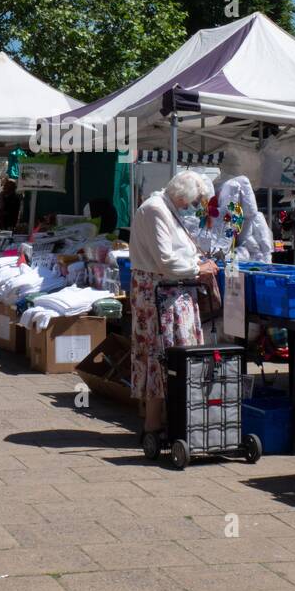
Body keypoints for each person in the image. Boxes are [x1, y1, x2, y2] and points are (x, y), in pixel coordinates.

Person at [127, 170, 217, 436]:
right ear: (181, 195)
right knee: (160, 354)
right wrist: (198, 268)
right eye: (190, 202)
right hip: (159, 294)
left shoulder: (165, 207)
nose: (189, 207)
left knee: (172, 354)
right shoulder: (155, 210)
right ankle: (153, 424)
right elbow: (165, 260)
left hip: (169, 292)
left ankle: (167, 419)